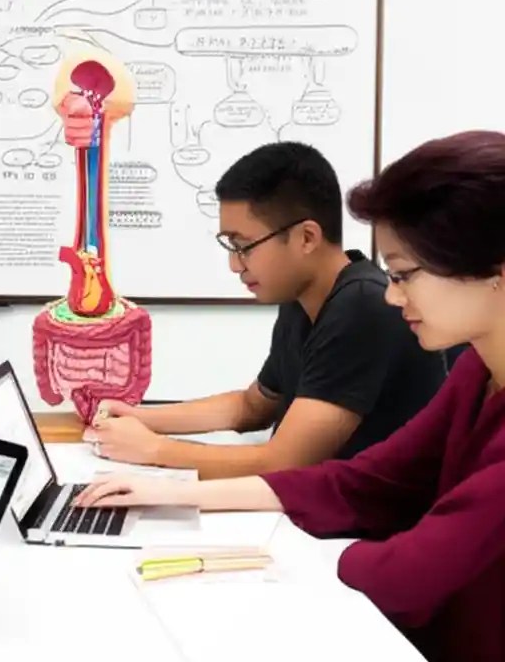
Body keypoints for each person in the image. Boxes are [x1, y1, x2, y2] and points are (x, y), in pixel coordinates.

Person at [77, 130, 505, 662]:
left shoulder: (365, 306)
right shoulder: (476, 372)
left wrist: (290, 566)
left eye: (404, 275)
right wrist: (172, 491)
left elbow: (412, 572)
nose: (394, 296)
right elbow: (362, 479)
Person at [85, 141, 444, 479]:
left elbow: (283, 463)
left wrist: (153, 449)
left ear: (306, 238)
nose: (234, 264)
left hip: (379, 518)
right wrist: (140, 418)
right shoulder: (302, 301)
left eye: (243, 246)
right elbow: (250, 407)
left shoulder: (363, 306)